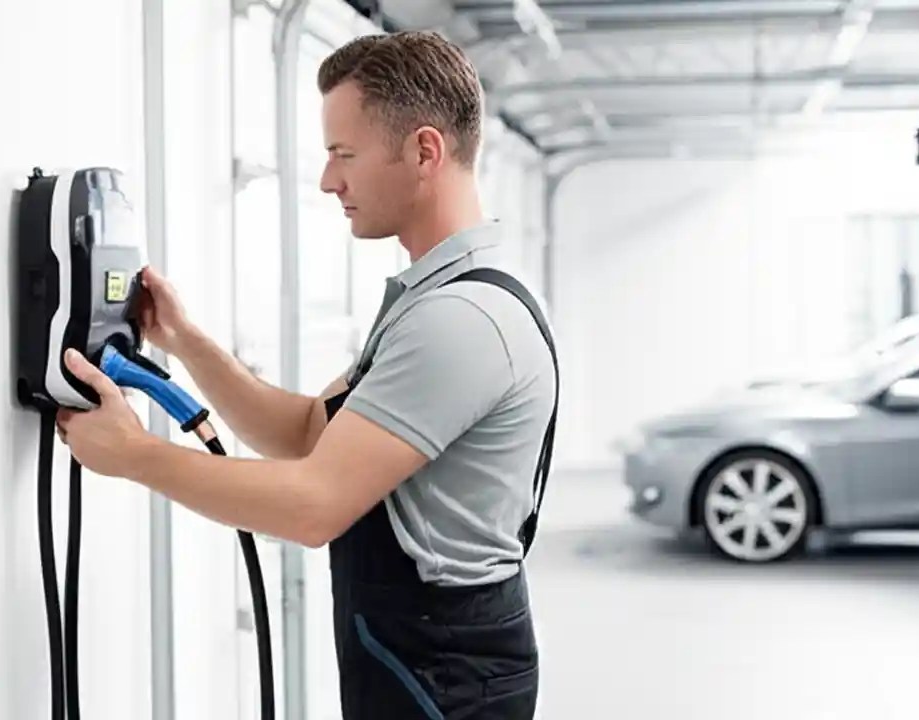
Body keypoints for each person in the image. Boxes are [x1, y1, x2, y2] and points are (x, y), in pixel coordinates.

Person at [57, 30, 557, 719]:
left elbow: (312, 503)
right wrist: (187, 343)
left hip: (445, 679)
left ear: (424, 151)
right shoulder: (435, 300)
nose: (328, 181)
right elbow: (304, 433)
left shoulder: (462, 321)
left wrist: (135, 455)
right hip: (422, 659)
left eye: (342, 155)